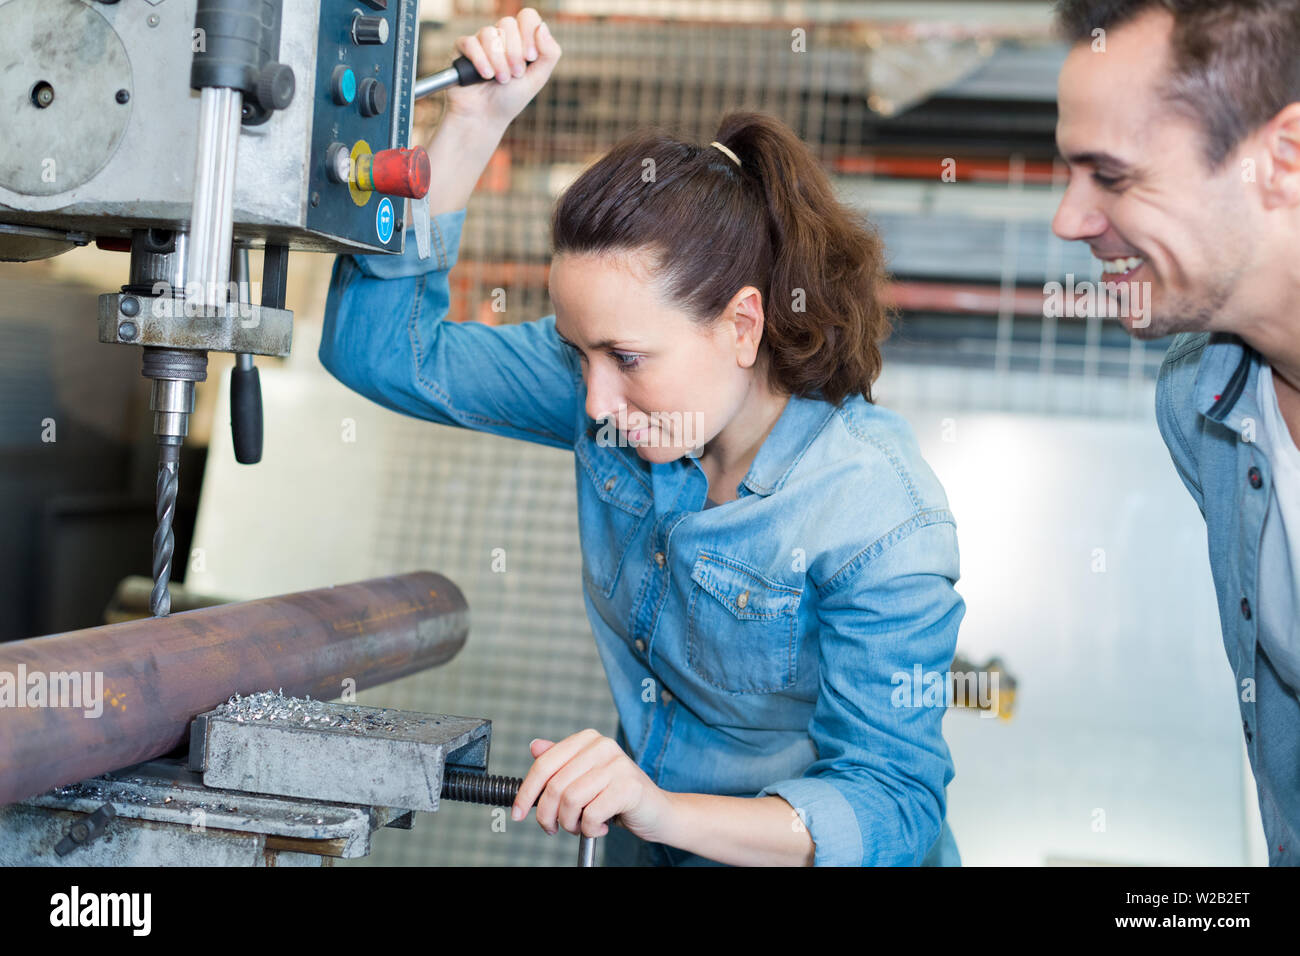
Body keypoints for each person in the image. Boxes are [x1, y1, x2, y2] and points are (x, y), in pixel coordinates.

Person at [319, 9, 964, 866]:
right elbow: (382, 352)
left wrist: (658, 809)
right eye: (580, 352)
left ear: (742, 326)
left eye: (626, 356)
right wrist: (475, 122)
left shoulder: (878, 513)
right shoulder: (618, 399)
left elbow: (892, 805)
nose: (592, 400)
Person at [1051, 0, 1300, 865]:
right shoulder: (1197, 403)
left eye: (1111, 178)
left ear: (1282, 159)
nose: (1071, 220)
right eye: (1070, 176)